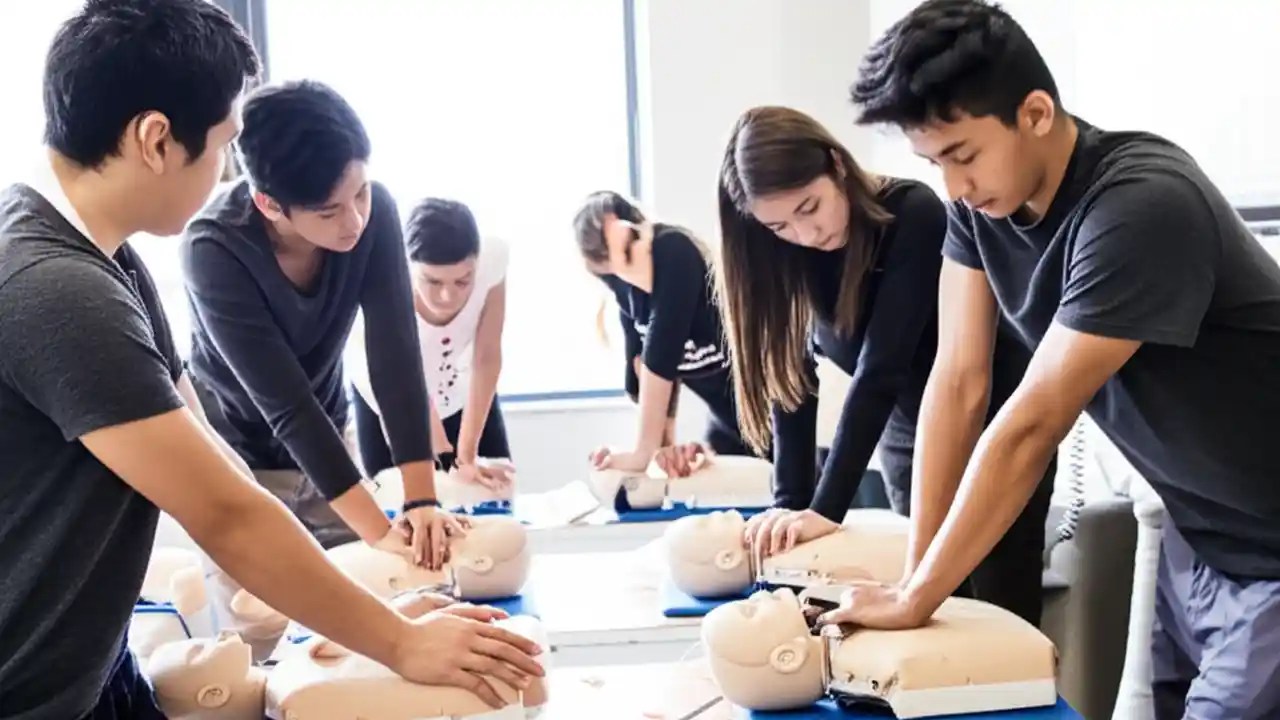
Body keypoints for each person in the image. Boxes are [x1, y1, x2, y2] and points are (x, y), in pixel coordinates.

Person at [0, 1, 541, 718]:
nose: (227, 165)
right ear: (156, 140)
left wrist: (372, 601)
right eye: (223, 144)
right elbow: (224, 513)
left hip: (95, 666)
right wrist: (402, 641)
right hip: (32, 690)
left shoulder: (106, 261)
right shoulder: (57, 287)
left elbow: (213, 454)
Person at [830, 1, 1280, 717]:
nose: (954, 188)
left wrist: (917, 597)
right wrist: (914, 580)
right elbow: (959, 382)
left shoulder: (1140, 206)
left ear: (1036, 113)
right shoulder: (980, 211)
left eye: (964, 156)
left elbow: (1032, 425)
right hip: (1200, 532)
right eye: (934, 163)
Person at [716, 105, 1051, 627]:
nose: (805, 233)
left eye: (810, 207)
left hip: (993, 423)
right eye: (779, 225)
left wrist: (826, 509)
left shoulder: (912, 213)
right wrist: (791, 510)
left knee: (998, 606)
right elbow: (792, 384)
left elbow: (881, 368)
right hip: (907, 434)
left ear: (836, 165)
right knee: (927, 604)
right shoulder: (787, 253)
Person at [180, 80, 458, 655]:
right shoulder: (213, 249)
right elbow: (287, 407)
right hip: (237, 461)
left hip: (329, 443)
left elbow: (395, 354)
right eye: (329, 211)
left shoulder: (375, 213)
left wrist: (421, 501)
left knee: (373, 617)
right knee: (264, 638)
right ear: (270, 205)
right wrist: (380, 531)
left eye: (360, 193)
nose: (354, 221)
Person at [574, 191, 749, 476]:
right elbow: (642, 373)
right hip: (729, 431)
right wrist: (664, 450)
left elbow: (662, 351)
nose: (642, 247)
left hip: (781, 417)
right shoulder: (629, 298)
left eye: (635, 234)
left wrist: (643, 453)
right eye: (626, 252)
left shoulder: (673, 249)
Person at [349, 198, 514, 489]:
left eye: (462, 282)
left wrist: (466, 454)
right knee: (405, 495)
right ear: (408, 266)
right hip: (390, 390)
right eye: (433, 282)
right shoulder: (385, 280)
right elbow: (405, 378)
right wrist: (448, 459)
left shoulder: (492, 260)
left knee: (491, 484)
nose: (448, 296)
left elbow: (487, 355)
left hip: (459, 385)